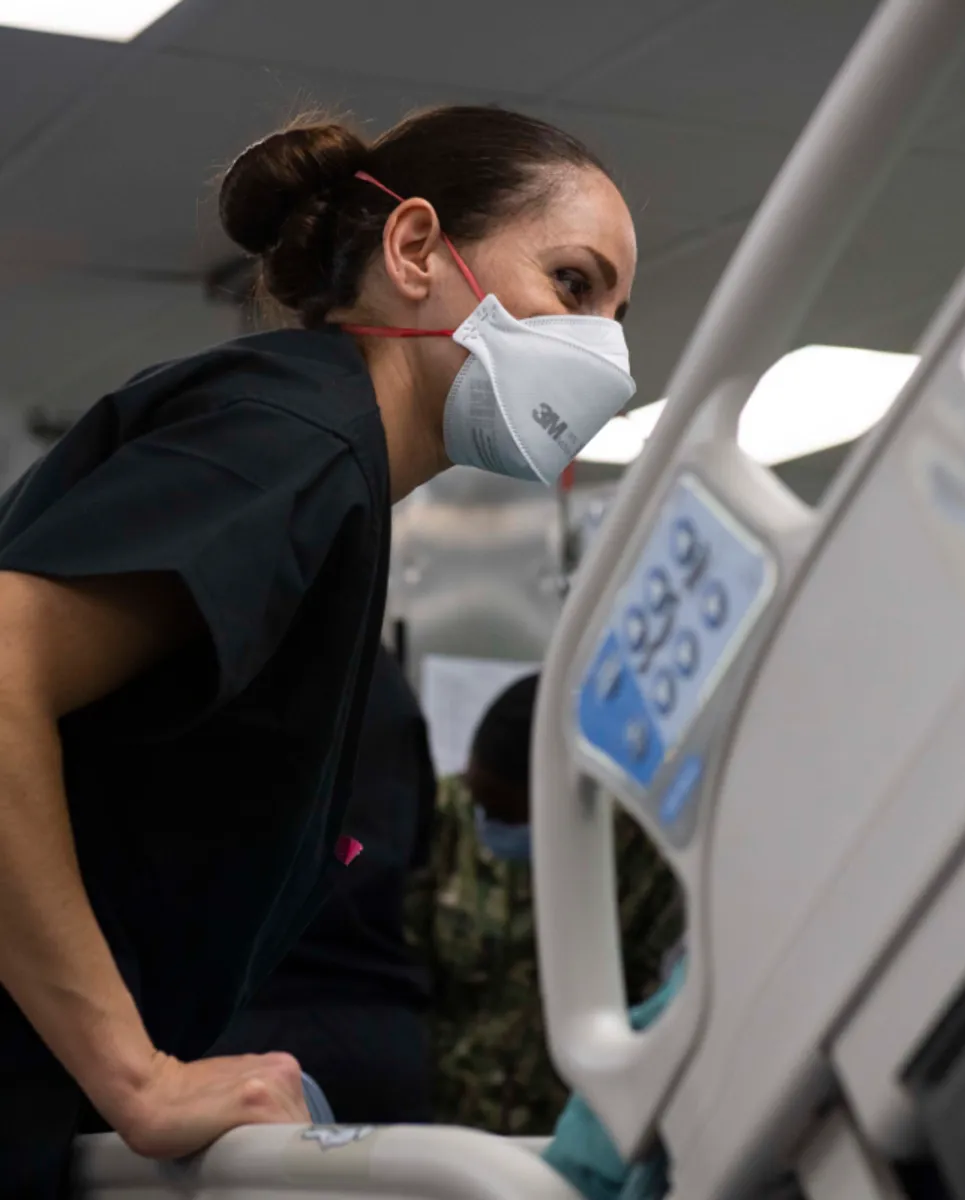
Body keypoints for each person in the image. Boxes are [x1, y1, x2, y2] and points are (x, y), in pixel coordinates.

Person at [0, 103, 637, 1196]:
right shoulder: (297, 444)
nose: (607, 352)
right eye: (574, 285)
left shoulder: (314, 457)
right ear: (416, 249)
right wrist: (138, 1079)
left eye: (619, 312)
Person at [405, 673, 683, 1136]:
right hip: (451, 1126)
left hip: (571, 1129)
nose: (487, 822)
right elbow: (406, 968)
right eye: (480, 802)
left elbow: (646, 1001)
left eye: (502, 810)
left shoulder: (637, 851)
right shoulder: (444, 820)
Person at [208, 644, 438, 1124]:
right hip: (375, 1029)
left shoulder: (227, 655)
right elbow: (415, 847)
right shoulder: (383, 680)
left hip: (234, 1024)